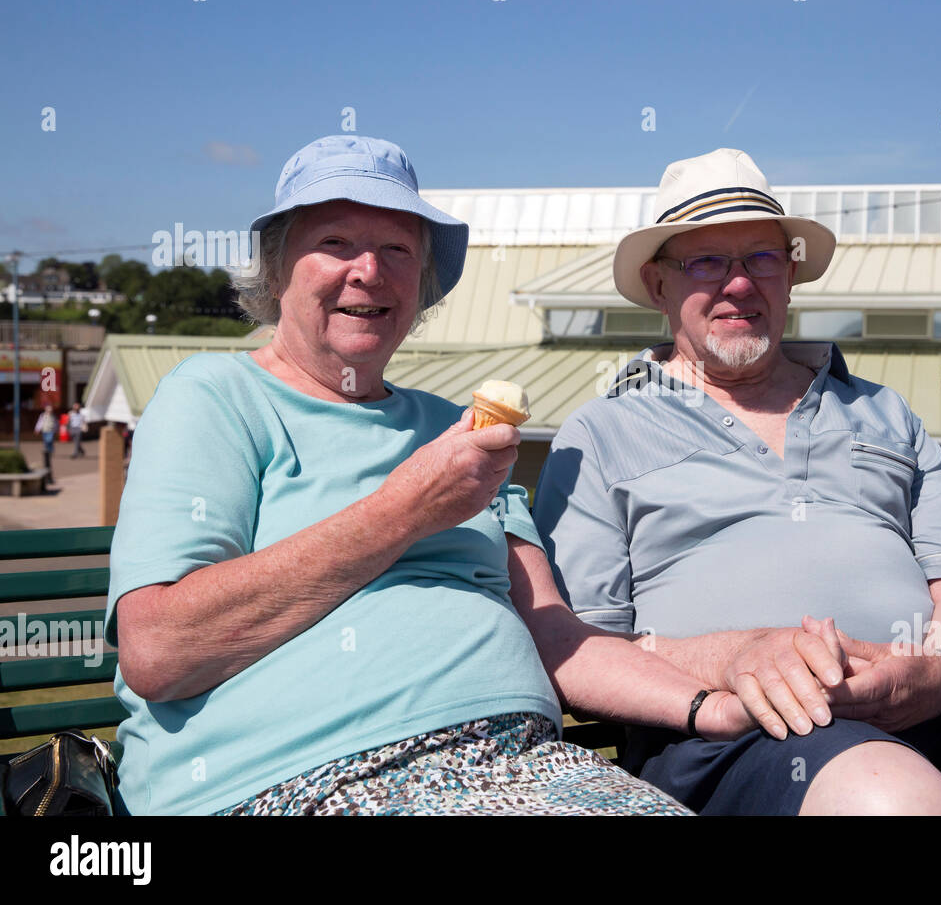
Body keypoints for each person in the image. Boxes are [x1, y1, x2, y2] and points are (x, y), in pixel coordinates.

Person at [532, 148, 941, 816]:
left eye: (762, 258)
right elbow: (585, 647)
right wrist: (731, 660)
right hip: (739, 734)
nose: (739, 283)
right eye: (706, 261)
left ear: (790, 276)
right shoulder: (600, 433)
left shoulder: (882, 411)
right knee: (889, 800)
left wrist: (940, 673)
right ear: (658, 285)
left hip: (937, 710)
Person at [107, 135, 754, 816]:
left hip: (534, 769)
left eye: (397, 251)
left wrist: (709, 707)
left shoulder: (459, 428)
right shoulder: (215, 396)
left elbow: (557, 635)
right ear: (275, 272)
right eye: (335, 242)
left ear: (420, 287)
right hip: (314, 777)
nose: (368, 270)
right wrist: (405, 509)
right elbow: (158, 650)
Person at [34, 404, 57, 480]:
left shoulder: (53, 416)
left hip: (51, 430)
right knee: (46, 442)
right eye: (48, 409)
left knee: (50, 440)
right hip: (45, 430)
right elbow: (40, 422)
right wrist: (37, 429)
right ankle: (48, 450)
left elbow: (56, 423)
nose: (49, 411)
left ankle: (50, 450)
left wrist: (57, 429)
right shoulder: (43, 415)